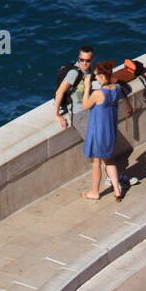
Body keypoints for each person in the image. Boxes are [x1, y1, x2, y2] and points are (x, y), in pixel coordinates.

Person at [80, 60, 132, 202]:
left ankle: (95, 192)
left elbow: (85, 105)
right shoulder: (116, 89)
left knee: (96, 163)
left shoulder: (98, 94)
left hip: (98, 133)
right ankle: (117, 190)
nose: (96, 77)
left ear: (103, 76)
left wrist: (86, 87)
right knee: (109, 160)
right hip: (110, 131)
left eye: (97, 75)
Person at [54, 45, 96, 128]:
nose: (84, 63)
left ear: (92, 59)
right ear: (78, 58)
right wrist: (57, 115)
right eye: (82, 60)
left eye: (88, 60)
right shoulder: (74, 73)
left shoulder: (90, 70)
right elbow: (59, 92)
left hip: (88, 107)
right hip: (78, 114)